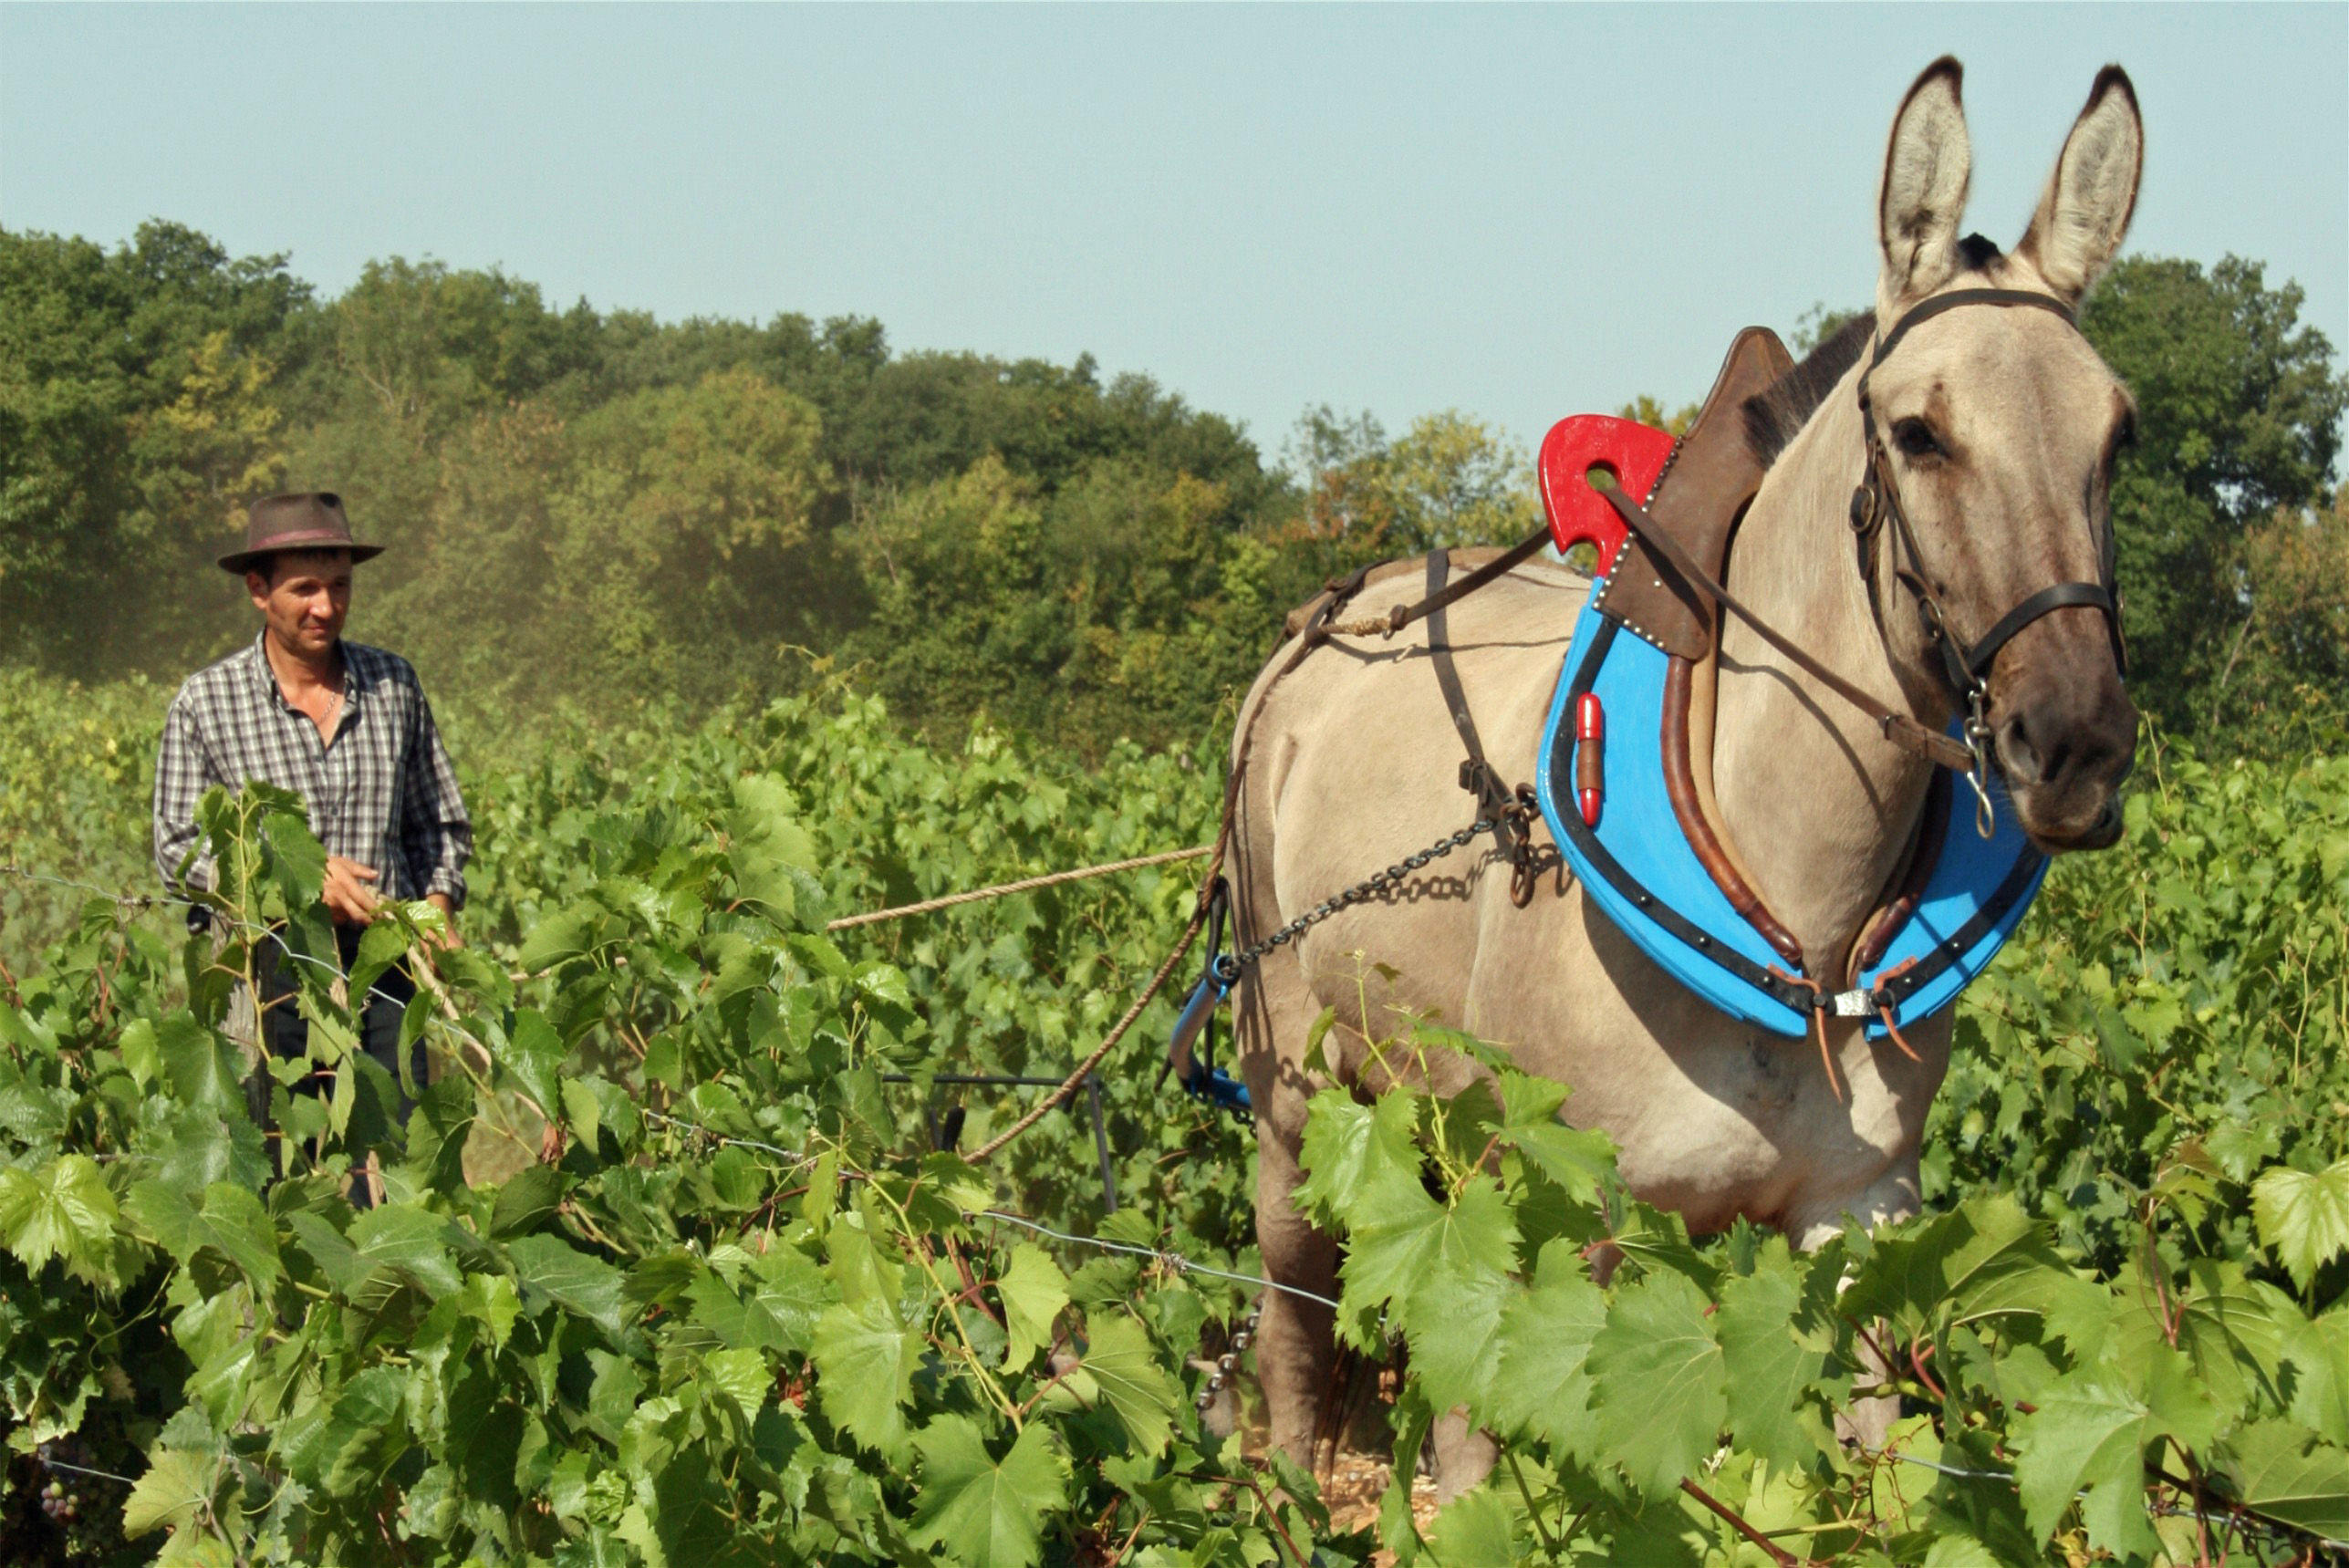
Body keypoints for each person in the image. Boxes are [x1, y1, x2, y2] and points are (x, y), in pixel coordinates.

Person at [152, 492, 471, 1191]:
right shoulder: (206, 703)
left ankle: (392, 1290)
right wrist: (292, 882)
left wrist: (440, 903)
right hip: (265, 972)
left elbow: (438, 822)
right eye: (305, 588)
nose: (326, 606)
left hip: (386, 971)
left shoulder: (394, 686)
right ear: (258, 590)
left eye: (340, 586)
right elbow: (177, 849)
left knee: (398, 1170)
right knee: (278, 1175)